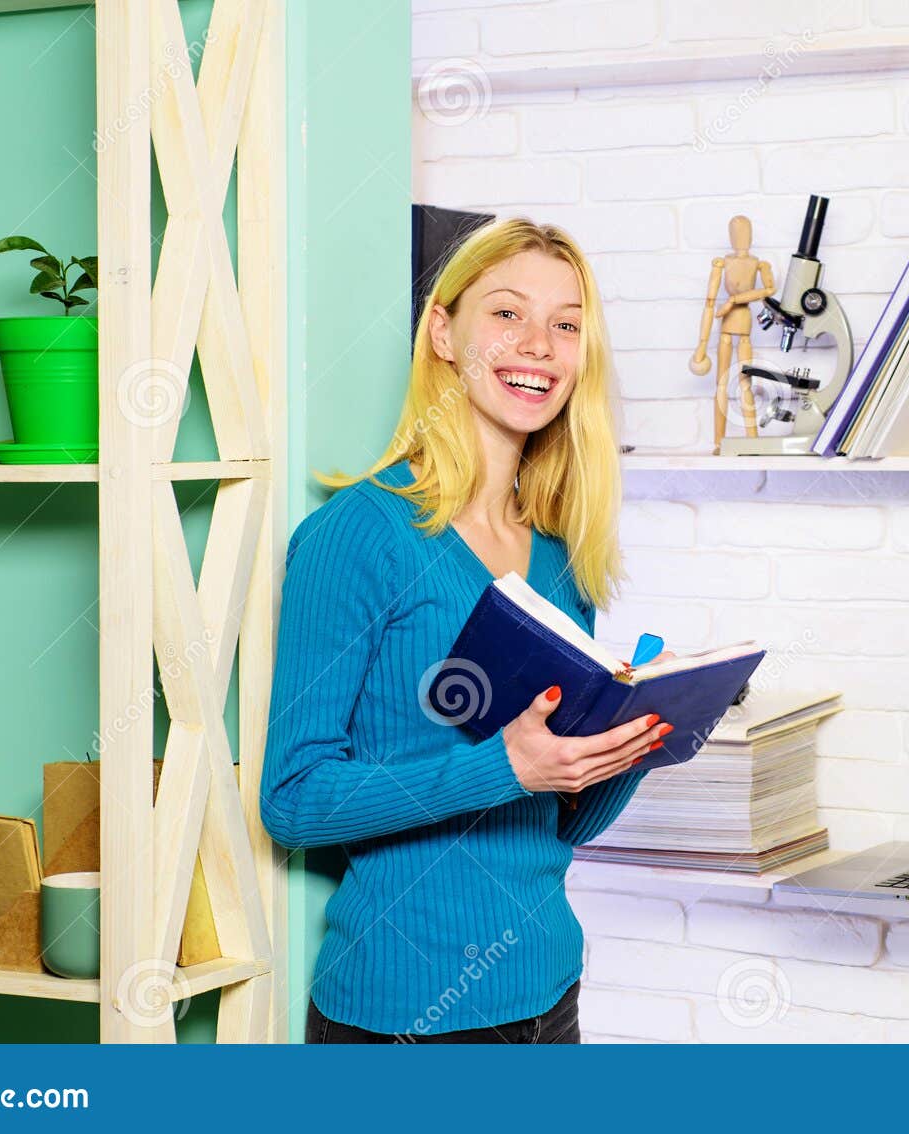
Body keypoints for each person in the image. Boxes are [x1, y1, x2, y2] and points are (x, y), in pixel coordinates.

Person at [261, 217, 671, 1044]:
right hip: (408, 1012)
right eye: (507, 314)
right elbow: (293, 802)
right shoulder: (360, 533)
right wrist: (504, 763)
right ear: (443, 334)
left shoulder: (559, 554)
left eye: (566, 324)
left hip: (550, 993)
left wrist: (631, 743)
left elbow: (560, 820)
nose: (539, 346)